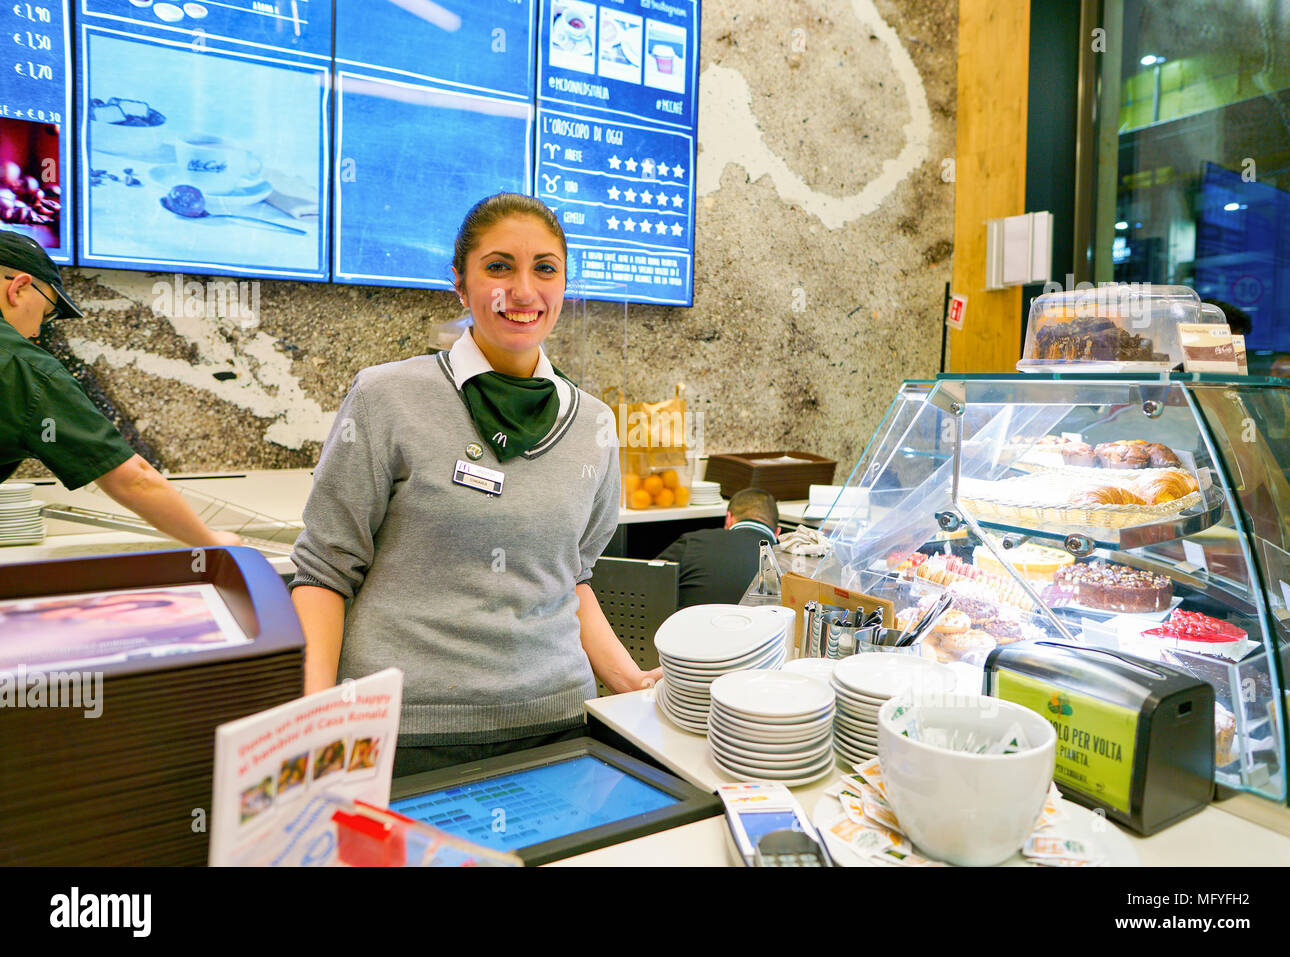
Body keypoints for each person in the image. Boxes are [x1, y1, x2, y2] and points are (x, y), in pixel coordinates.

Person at [290, 193, 661, 776]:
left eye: (545, 268)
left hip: (558, 728)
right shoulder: (388, 397)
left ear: (564, 286)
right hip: (405, 733)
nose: (523, 290)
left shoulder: (594, 422)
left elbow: (572, 577)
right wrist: (313, 722)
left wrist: (629, 681)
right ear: (460, 285)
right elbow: (324, 573)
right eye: (498, 267)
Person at [0, 230, 240, 547]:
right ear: (18, 289)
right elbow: (133, 479)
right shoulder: (22, 366)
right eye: (47, 315)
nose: (36, 332)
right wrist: (212, 540)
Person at [655, 487, 781, 609]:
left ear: (728, 518)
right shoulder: (788, 562)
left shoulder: (691, 542)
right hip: (759, 630)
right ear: (777, 533)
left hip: (691, 628)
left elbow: (647, 583)